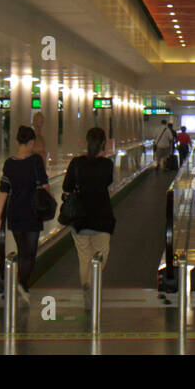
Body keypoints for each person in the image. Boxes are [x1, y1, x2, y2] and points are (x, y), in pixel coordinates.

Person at [0, 125, 49, 301]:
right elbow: (45, 185)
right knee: (30, 254)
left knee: (22, 249)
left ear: (18, 141)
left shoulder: (9, 163)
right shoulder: (36, 161)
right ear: (31, 142)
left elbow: (4, 191)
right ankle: (22, 284)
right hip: (33, 212)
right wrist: (50, 197)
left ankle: (20, 284)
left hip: (15, 213)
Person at [64, 127, 115, 309]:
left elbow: (66, 186)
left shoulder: (76, 163)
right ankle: (93, 287)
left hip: (80, 219)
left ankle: (86, 287)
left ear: (86, 143)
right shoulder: (106, 165)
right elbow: (108, 181)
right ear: (103, 145)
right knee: (100, 256)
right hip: (102, 219)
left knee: (84, 257)